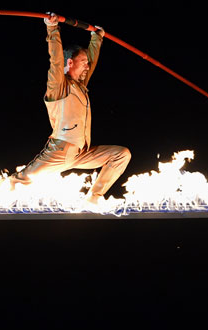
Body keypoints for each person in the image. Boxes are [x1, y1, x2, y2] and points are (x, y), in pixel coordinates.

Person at [9, 13, 131, 209]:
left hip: (81, 153)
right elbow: (55, 60)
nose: (87, 66)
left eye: (86, 63)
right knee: (17, 182)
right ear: (70, 63)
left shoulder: (80, 86)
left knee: (121, 154)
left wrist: (96, 38)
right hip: (59, 151)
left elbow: (91, 60)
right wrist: (52, 29)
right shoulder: (58, 85)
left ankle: (93, 199)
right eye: (82, 62)